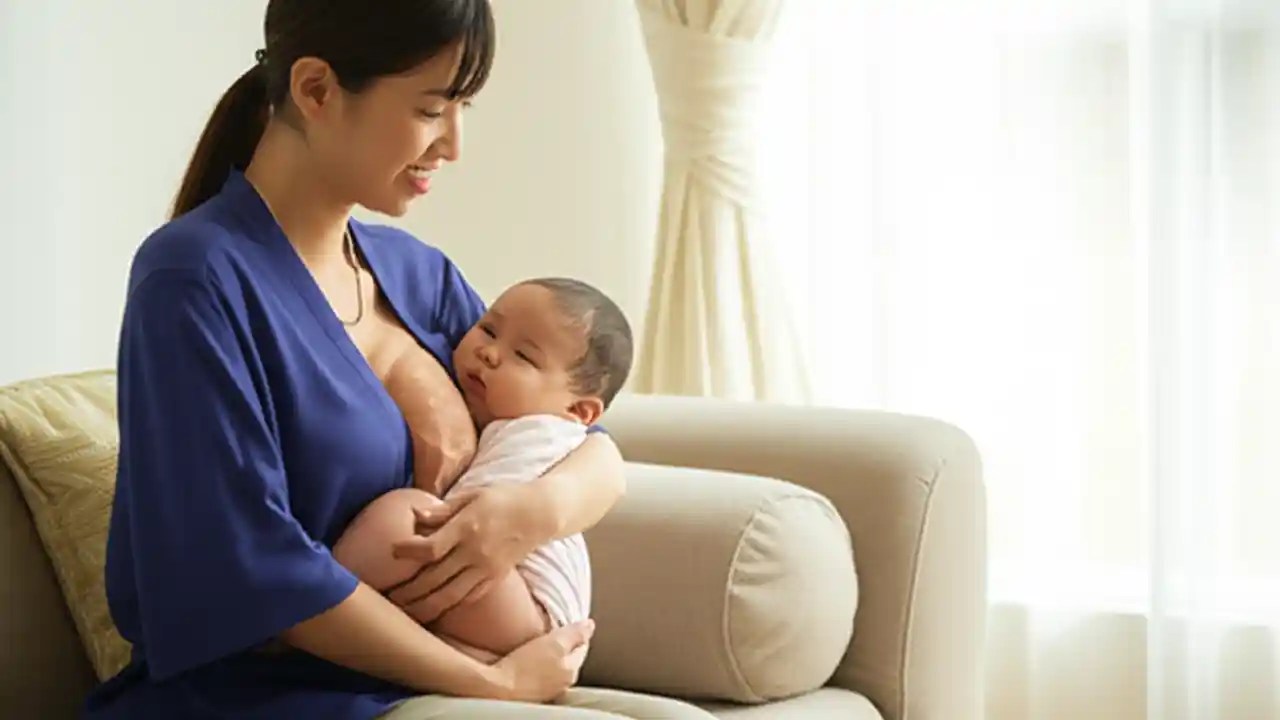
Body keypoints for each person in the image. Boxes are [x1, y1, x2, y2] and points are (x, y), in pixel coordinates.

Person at [84, 2, 712, 718]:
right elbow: (248, 567)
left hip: (423, 677)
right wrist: (491, 683)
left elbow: (575, 441)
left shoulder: (418, 277)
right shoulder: (194, 278)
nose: (452, 146)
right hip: (265, 696)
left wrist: (527, 513)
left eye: (463, 107)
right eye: (430, 109)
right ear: (316, 89)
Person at [334, 278, 634, 662]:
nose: (490, 353)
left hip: (531, 606)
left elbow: (604, 465)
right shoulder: (520, 419)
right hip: (518, 608)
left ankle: (310, 604)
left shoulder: (542, 435)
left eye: (524, 357)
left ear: (578, 412)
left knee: (403, 518)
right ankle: (475, 660)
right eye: (488, 329)